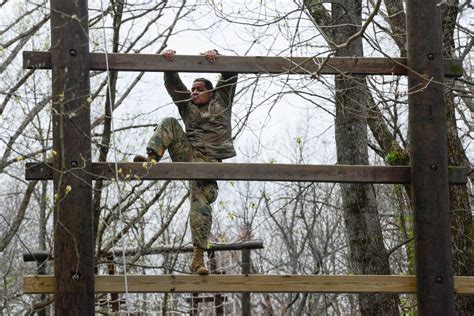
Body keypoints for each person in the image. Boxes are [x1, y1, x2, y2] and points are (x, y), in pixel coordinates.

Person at [134, 49, 238, 275]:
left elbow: (229, 74)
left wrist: (216, 57)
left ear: (211, 93)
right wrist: (169, 61)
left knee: (201, 204)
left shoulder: (221, 101)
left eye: (199, 89)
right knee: (169, 121)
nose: (193, 93)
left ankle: (198, 258)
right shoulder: (187, 106)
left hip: (211, 163)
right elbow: (174, 85)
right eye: (192, 89)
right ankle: (151, 158)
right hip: (189, 155)